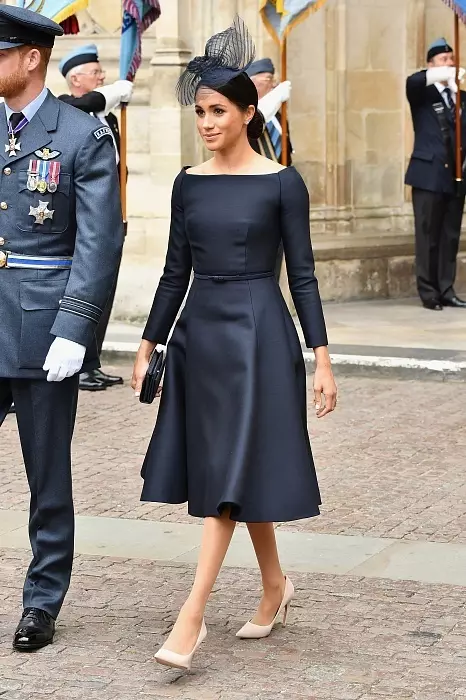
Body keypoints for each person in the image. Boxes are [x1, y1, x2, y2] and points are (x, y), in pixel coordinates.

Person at [131, 17, 337, 672]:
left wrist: (322, 358)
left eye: (218, 110)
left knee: (225, 478)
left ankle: (189, 619)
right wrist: (149, 341)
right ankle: (275, 585)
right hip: (200, 340)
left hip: (259, 340)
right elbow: (172, 272)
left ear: (248, 112)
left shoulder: (283, 183)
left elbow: (301, 276)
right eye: (200, 111)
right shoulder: (187, 182)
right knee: (230, 470)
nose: (207, 122)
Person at [0, 5, 123, 650]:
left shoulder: (81, 136)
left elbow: (99, 245)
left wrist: (76, 329)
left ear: (30, 59)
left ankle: (42, 601)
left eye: (0, 53)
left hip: (43, 328)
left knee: (47, 476)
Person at [57, 44, 133, 390]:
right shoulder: (65, 106)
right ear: (76, 78)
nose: (102, 76)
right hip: (78, 224)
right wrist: (110, 93)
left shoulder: (109, 116)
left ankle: (93, 361)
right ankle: (82, 363)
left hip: (112, 217)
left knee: (105, 290)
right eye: (96, 72)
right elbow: (80, 105)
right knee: (83, 289)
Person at [406, 37, 466, 310]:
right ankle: (428, 292)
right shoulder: (423, 94)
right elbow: (414, 81)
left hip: (456, 176)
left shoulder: (460, 96)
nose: (450, 64)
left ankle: (446, 288)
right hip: (428, 174)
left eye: (451, 59)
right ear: (431, 64)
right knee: (428, 235)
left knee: (450, 236)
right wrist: (439, 75)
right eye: (443, 60)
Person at [247, 58, 291, 281]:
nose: (274, 85)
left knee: (276, 262)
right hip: (255, 199)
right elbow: (254, 123)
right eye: (268, 80)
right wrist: (276, 97)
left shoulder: (278, 115)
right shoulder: (246, 114)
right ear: (253, 84)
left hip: (280, 198)